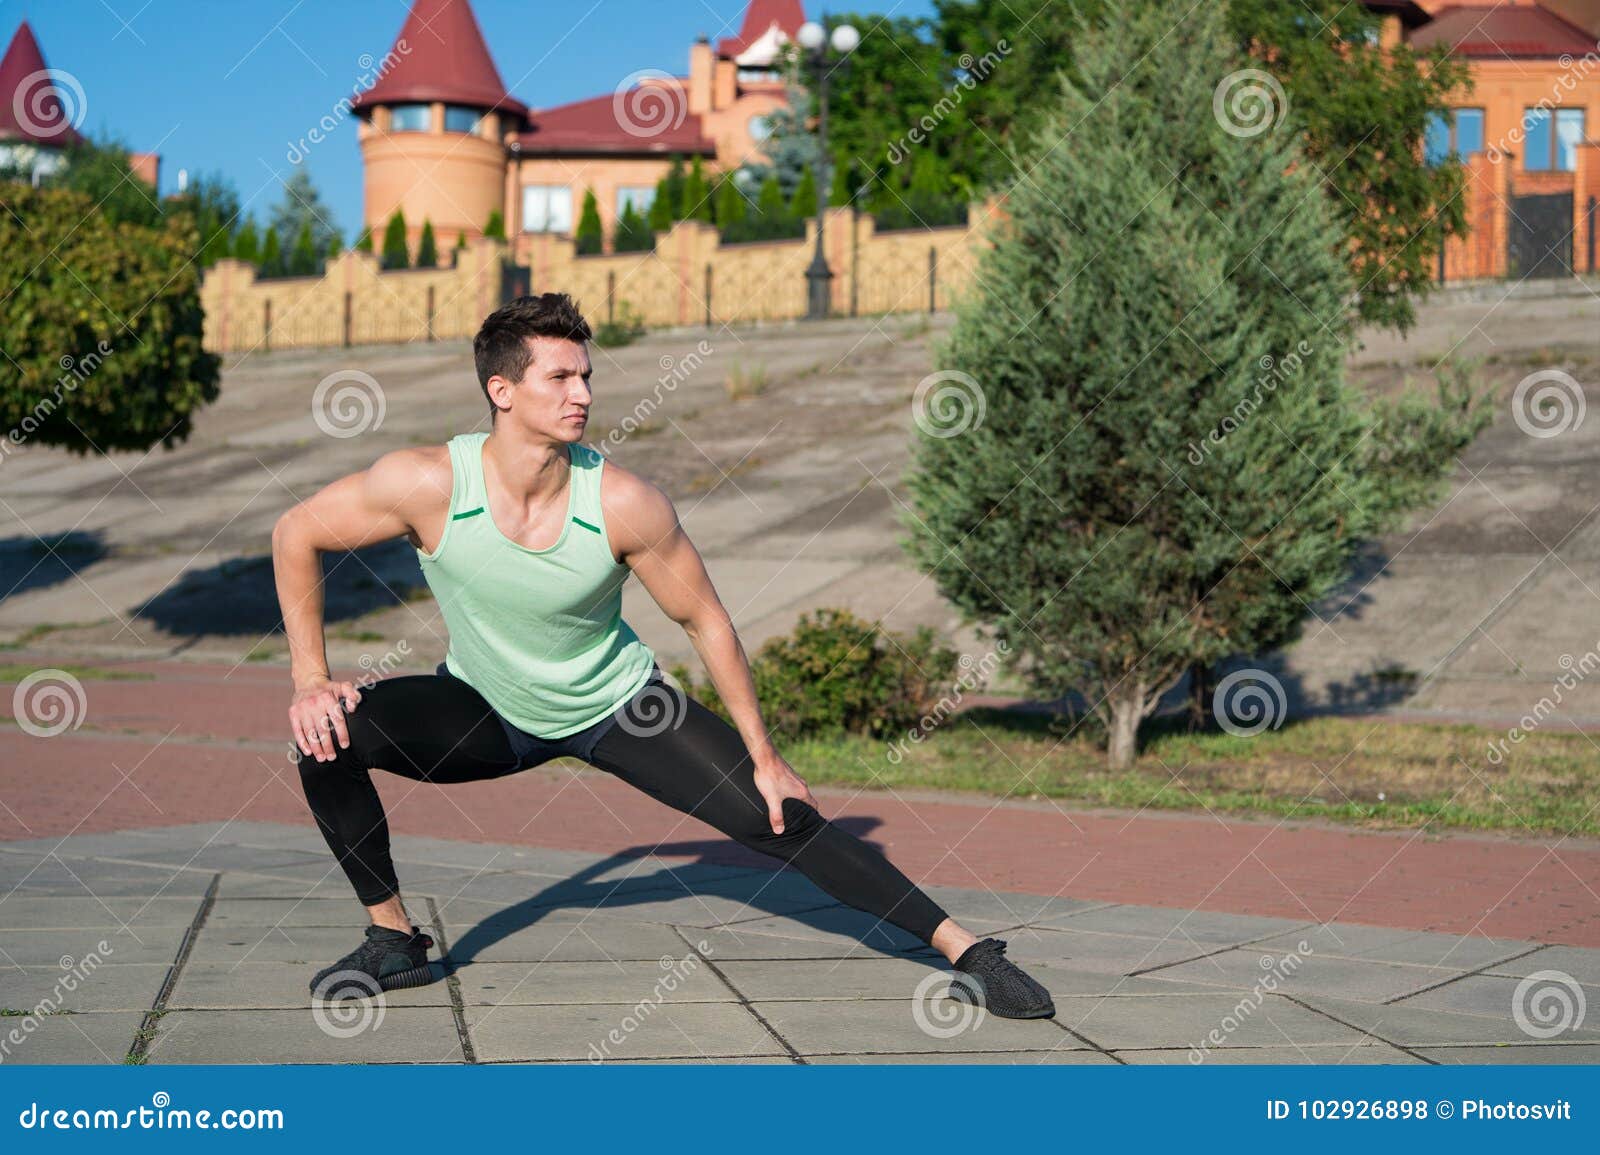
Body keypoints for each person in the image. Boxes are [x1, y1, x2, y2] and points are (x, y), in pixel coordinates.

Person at [272, 293, 1054, 1020]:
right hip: (485, 708)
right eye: (559, 376)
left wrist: (765, 754)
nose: (581, 393)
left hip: (619, 706)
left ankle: (966, 949)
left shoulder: (621, 500)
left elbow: (706, 620)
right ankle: (394, 940)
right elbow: (295, 532)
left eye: (586, 375)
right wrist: (311, 678)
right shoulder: (426, 481)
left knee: (777, 815)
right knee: (324, 738)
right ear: (502, 390)